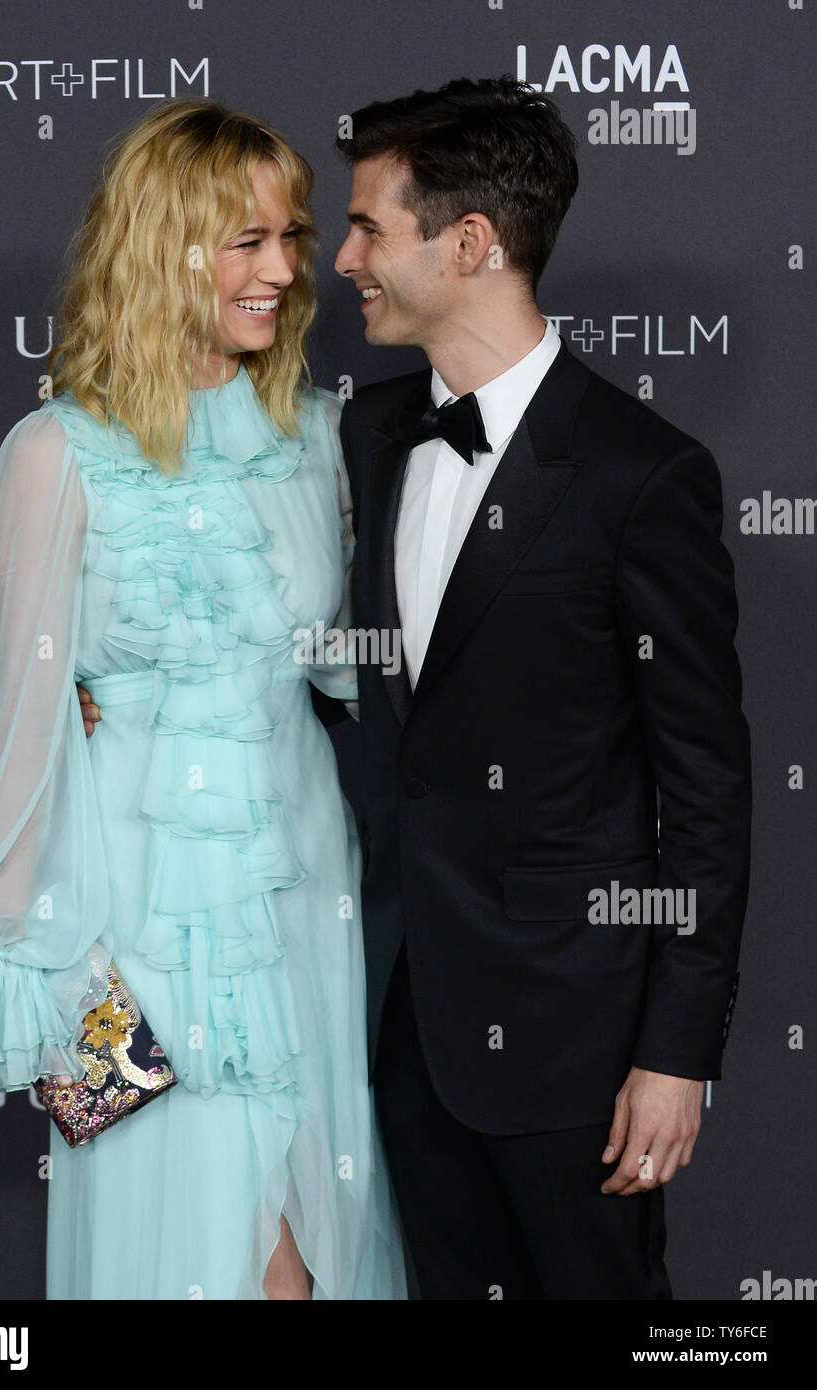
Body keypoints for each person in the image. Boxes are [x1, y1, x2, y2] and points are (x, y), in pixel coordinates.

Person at [0, 97, 406, 1302]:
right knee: (194, 1258)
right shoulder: (54, 453)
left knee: (320, 1251)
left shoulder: (313, 439)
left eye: (292, 238)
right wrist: (39, 988)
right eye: (247, 241)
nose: (287, 270)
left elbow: (355, 673)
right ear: (160, 244)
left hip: (301, 908)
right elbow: (17, 745)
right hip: (126, 929)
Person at [328, 75, 752, 1299]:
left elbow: (707, 794)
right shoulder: (366, 433)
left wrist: (677, 1055)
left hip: (576, 1045)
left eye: (368, 228)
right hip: (399, 1025)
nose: (342, 258)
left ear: (468, 242)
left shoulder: (639, 474)